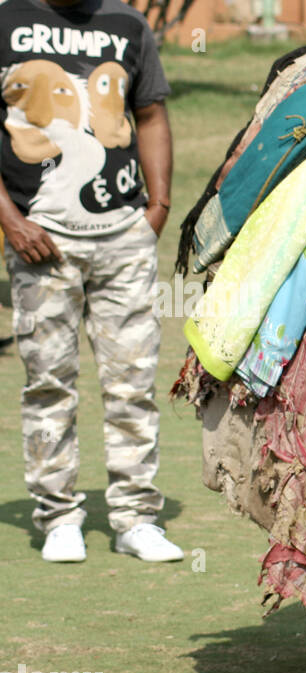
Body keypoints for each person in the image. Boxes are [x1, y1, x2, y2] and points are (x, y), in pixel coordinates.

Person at [0, 0, 182, 562]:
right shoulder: (6, 22)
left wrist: (157, 207)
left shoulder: (128, 24)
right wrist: (10, 219)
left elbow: (149, 115)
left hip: (122, 239)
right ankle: (58, 517)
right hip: (42, 243)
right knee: (49, 383)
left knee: (132, 383)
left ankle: (135, 519)